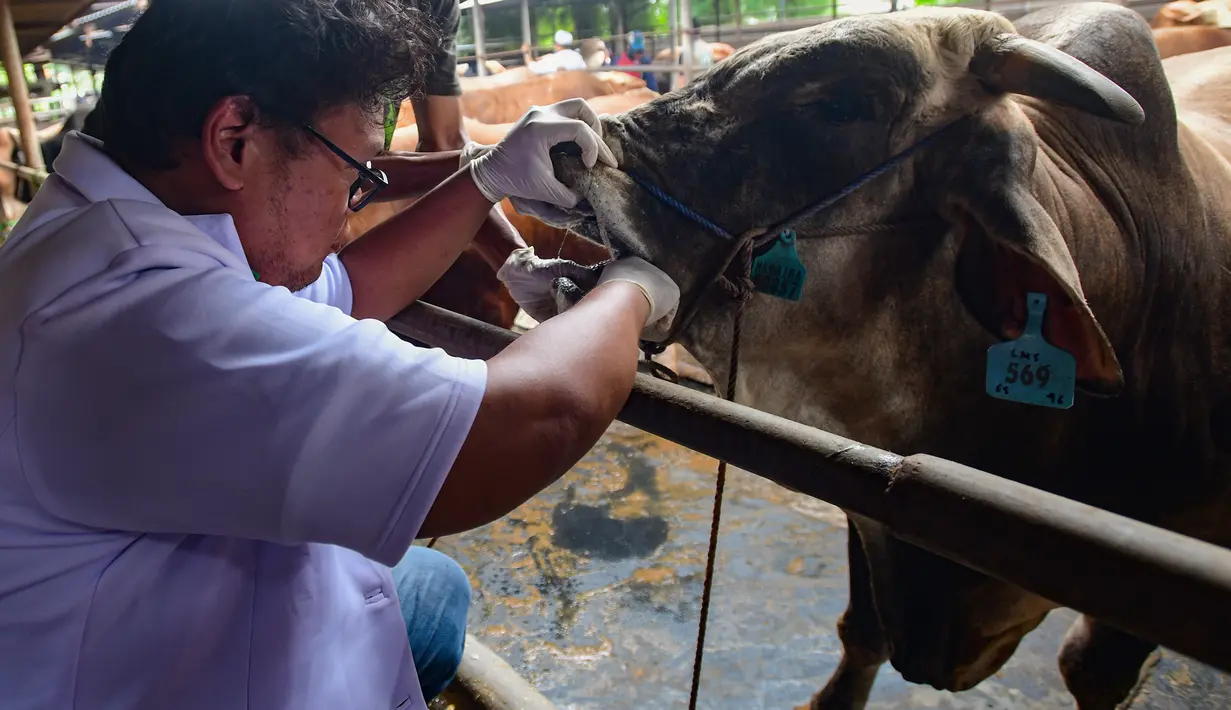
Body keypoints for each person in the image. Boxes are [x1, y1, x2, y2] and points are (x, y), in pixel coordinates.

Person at [0, 3, 679, 710]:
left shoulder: (116, 225)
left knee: (432, 587)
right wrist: (633, 289)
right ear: (234, 140)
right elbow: (528, 422)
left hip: (188, 628)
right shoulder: (141, 312)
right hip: (174, 678)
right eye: (355, 173)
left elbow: (349, 288)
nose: (352, 207)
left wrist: (484, 180)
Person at [523, 29, 589, 75]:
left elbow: (534, 68)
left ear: (556, 45)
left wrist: (526, 53)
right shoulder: (577, 57)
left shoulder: (554, 60)